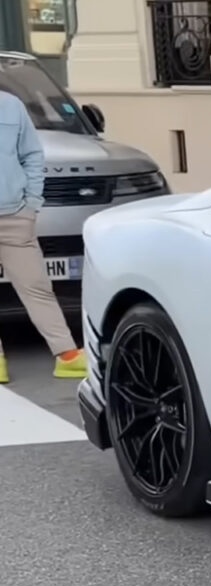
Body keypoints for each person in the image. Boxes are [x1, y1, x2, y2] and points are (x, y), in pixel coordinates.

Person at [0, 90, 84, 384]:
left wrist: (31, 203)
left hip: (13, 215)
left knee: (37, 286)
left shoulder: (11, 106)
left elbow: (32, 155)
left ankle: (67, 355)